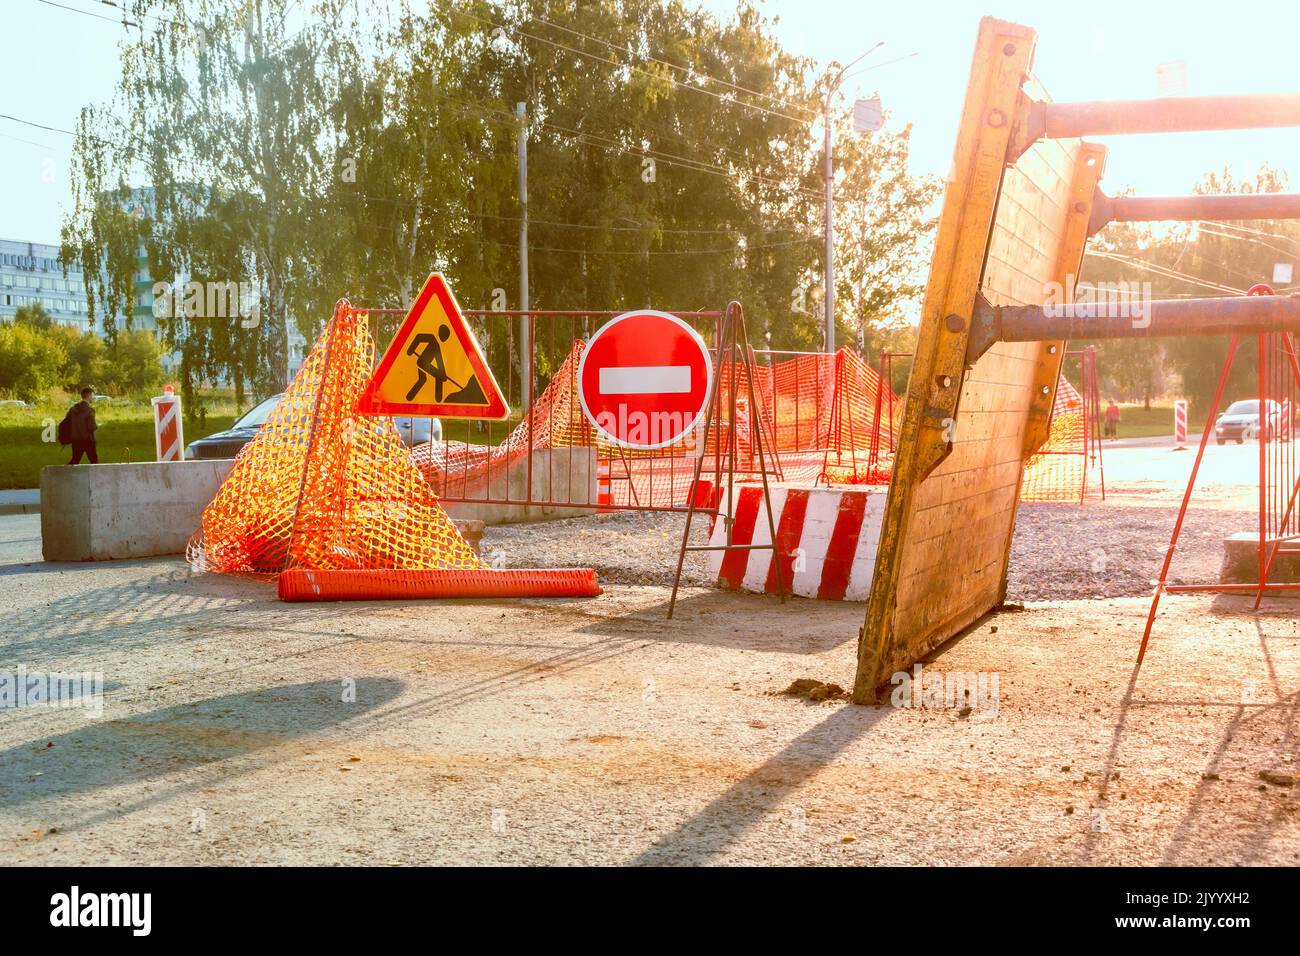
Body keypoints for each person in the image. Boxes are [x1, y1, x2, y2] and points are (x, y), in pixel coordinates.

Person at [64, 387, 99, 464]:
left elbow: (67, 422)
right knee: (94, 461)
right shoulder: (90, 410)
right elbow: (91, 427)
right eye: (92, 395)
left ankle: (67, 474)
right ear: (89, 395)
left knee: (75, 460)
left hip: (75, 439)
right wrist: (98, 425)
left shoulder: (73, 409)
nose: (92, 397)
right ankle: (95, 476)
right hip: (88, 439)